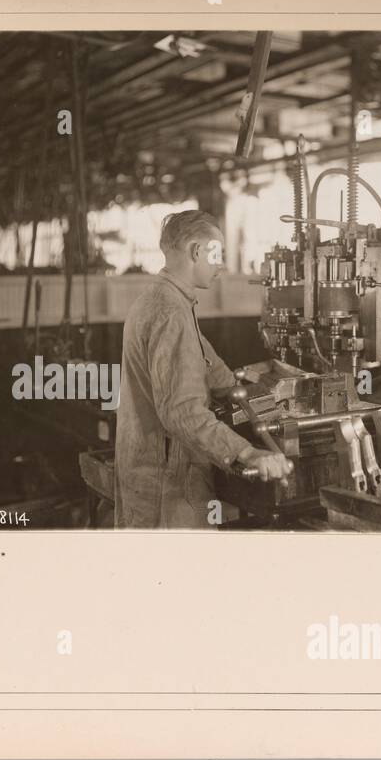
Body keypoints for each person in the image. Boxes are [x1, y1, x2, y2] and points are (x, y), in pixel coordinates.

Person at [114, 209, 291, 529]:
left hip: (150, 470)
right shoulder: (171, 313)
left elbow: (207, 363)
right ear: (197, 251)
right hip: (168, 485)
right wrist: (247, 453)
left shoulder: (164, 299)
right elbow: (183, 412)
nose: (221, 265)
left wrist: (258, 392)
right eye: (217, 253)